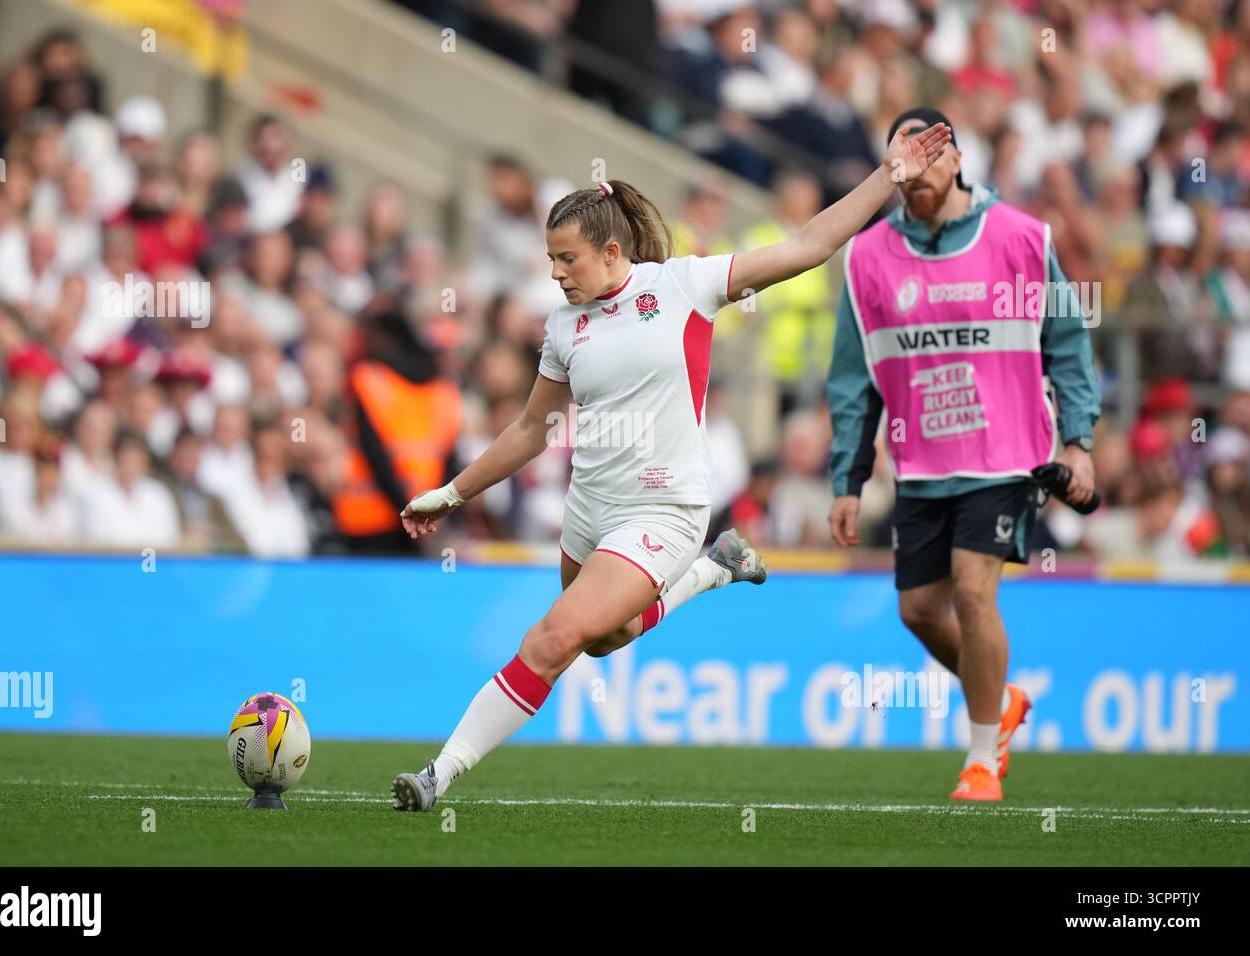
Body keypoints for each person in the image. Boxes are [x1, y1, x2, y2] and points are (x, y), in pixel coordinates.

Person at [389, 118, 954, 811]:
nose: (555, 272)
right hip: (589, 510)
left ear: (611, 250)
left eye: (567, 259)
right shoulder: (566, 326)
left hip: (664, 508)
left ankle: (438, 775)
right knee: (604, 640)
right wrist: (452, 492)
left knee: (554, 638)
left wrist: (887, 177)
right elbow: (533, 429)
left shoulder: (688, 285)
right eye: (549, 258)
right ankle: (714, 569)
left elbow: (809, 245)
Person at [827, 107, 1101, 802]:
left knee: (975, 593)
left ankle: (981, 761)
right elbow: (853, 379)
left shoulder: (1019, 237)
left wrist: (1079, 441)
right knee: (919, 611)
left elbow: (1067, 342)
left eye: (923, 163)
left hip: (1006, 455)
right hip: (919, 462)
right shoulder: (866, 257)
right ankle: (1000, 700)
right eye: (900, 170)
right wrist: (848, 479)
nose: (912, 183)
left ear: (953, 159)